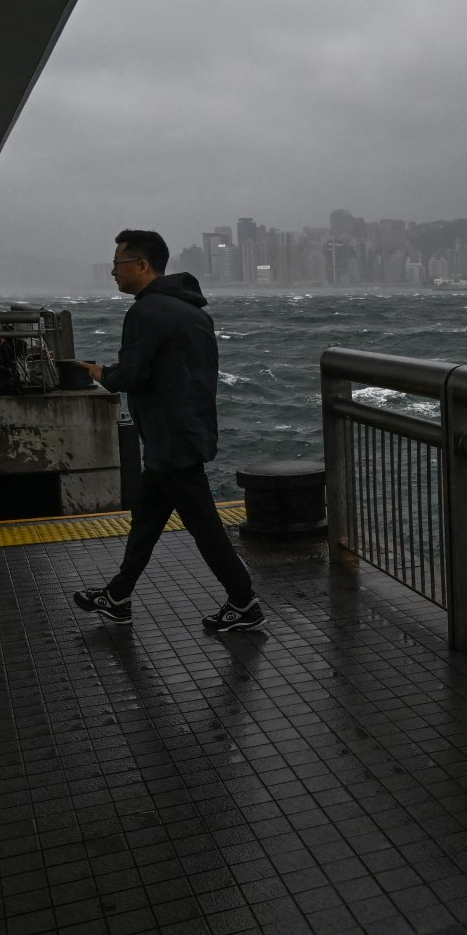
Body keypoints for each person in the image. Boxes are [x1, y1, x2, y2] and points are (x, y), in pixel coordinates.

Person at [70, 229, 267, 634]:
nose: (112, 272)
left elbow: (136, 375)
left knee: (205, 527)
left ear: (142, 266)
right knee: (147, 518)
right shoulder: (193, 311)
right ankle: (118, 596)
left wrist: (102, 373)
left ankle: (244, 601)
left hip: (170, 440)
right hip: (186, 431)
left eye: (118, 264)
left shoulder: (146, 312)